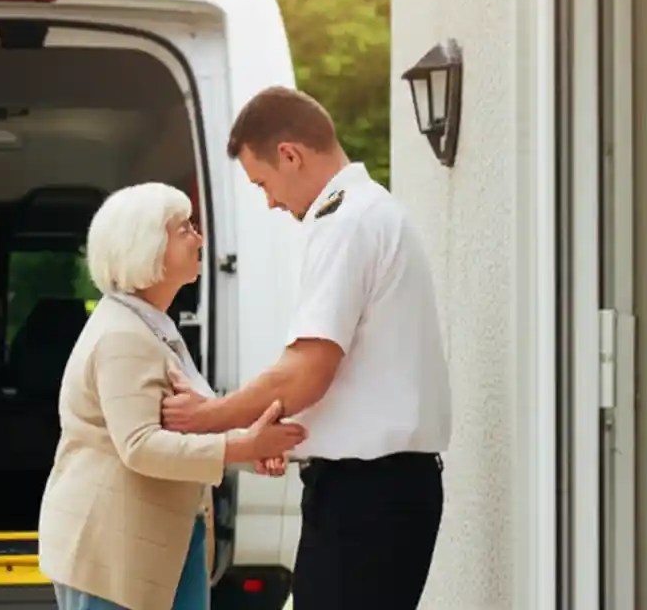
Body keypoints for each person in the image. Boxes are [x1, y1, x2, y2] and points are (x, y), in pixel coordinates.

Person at [161, 87, 452, 609]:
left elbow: (305, 372)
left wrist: (207, 417)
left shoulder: (344, 222)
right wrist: (279, 436)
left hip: (366, 499)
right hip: (381, 493)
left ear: (290, 155)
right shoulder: (372, 212)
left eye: (263, 183)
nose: (269, 201)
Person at [38, 182, 307, 610]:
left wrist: (248, 452)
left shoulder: (149, 326)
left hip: (162, 543)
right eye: (184, 229)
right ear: (144, 245)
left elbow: (182, 428)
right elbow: (141, 446)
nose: (199, 238)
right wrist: (243, 445)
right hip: (115, 555)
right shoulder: (123, 336)